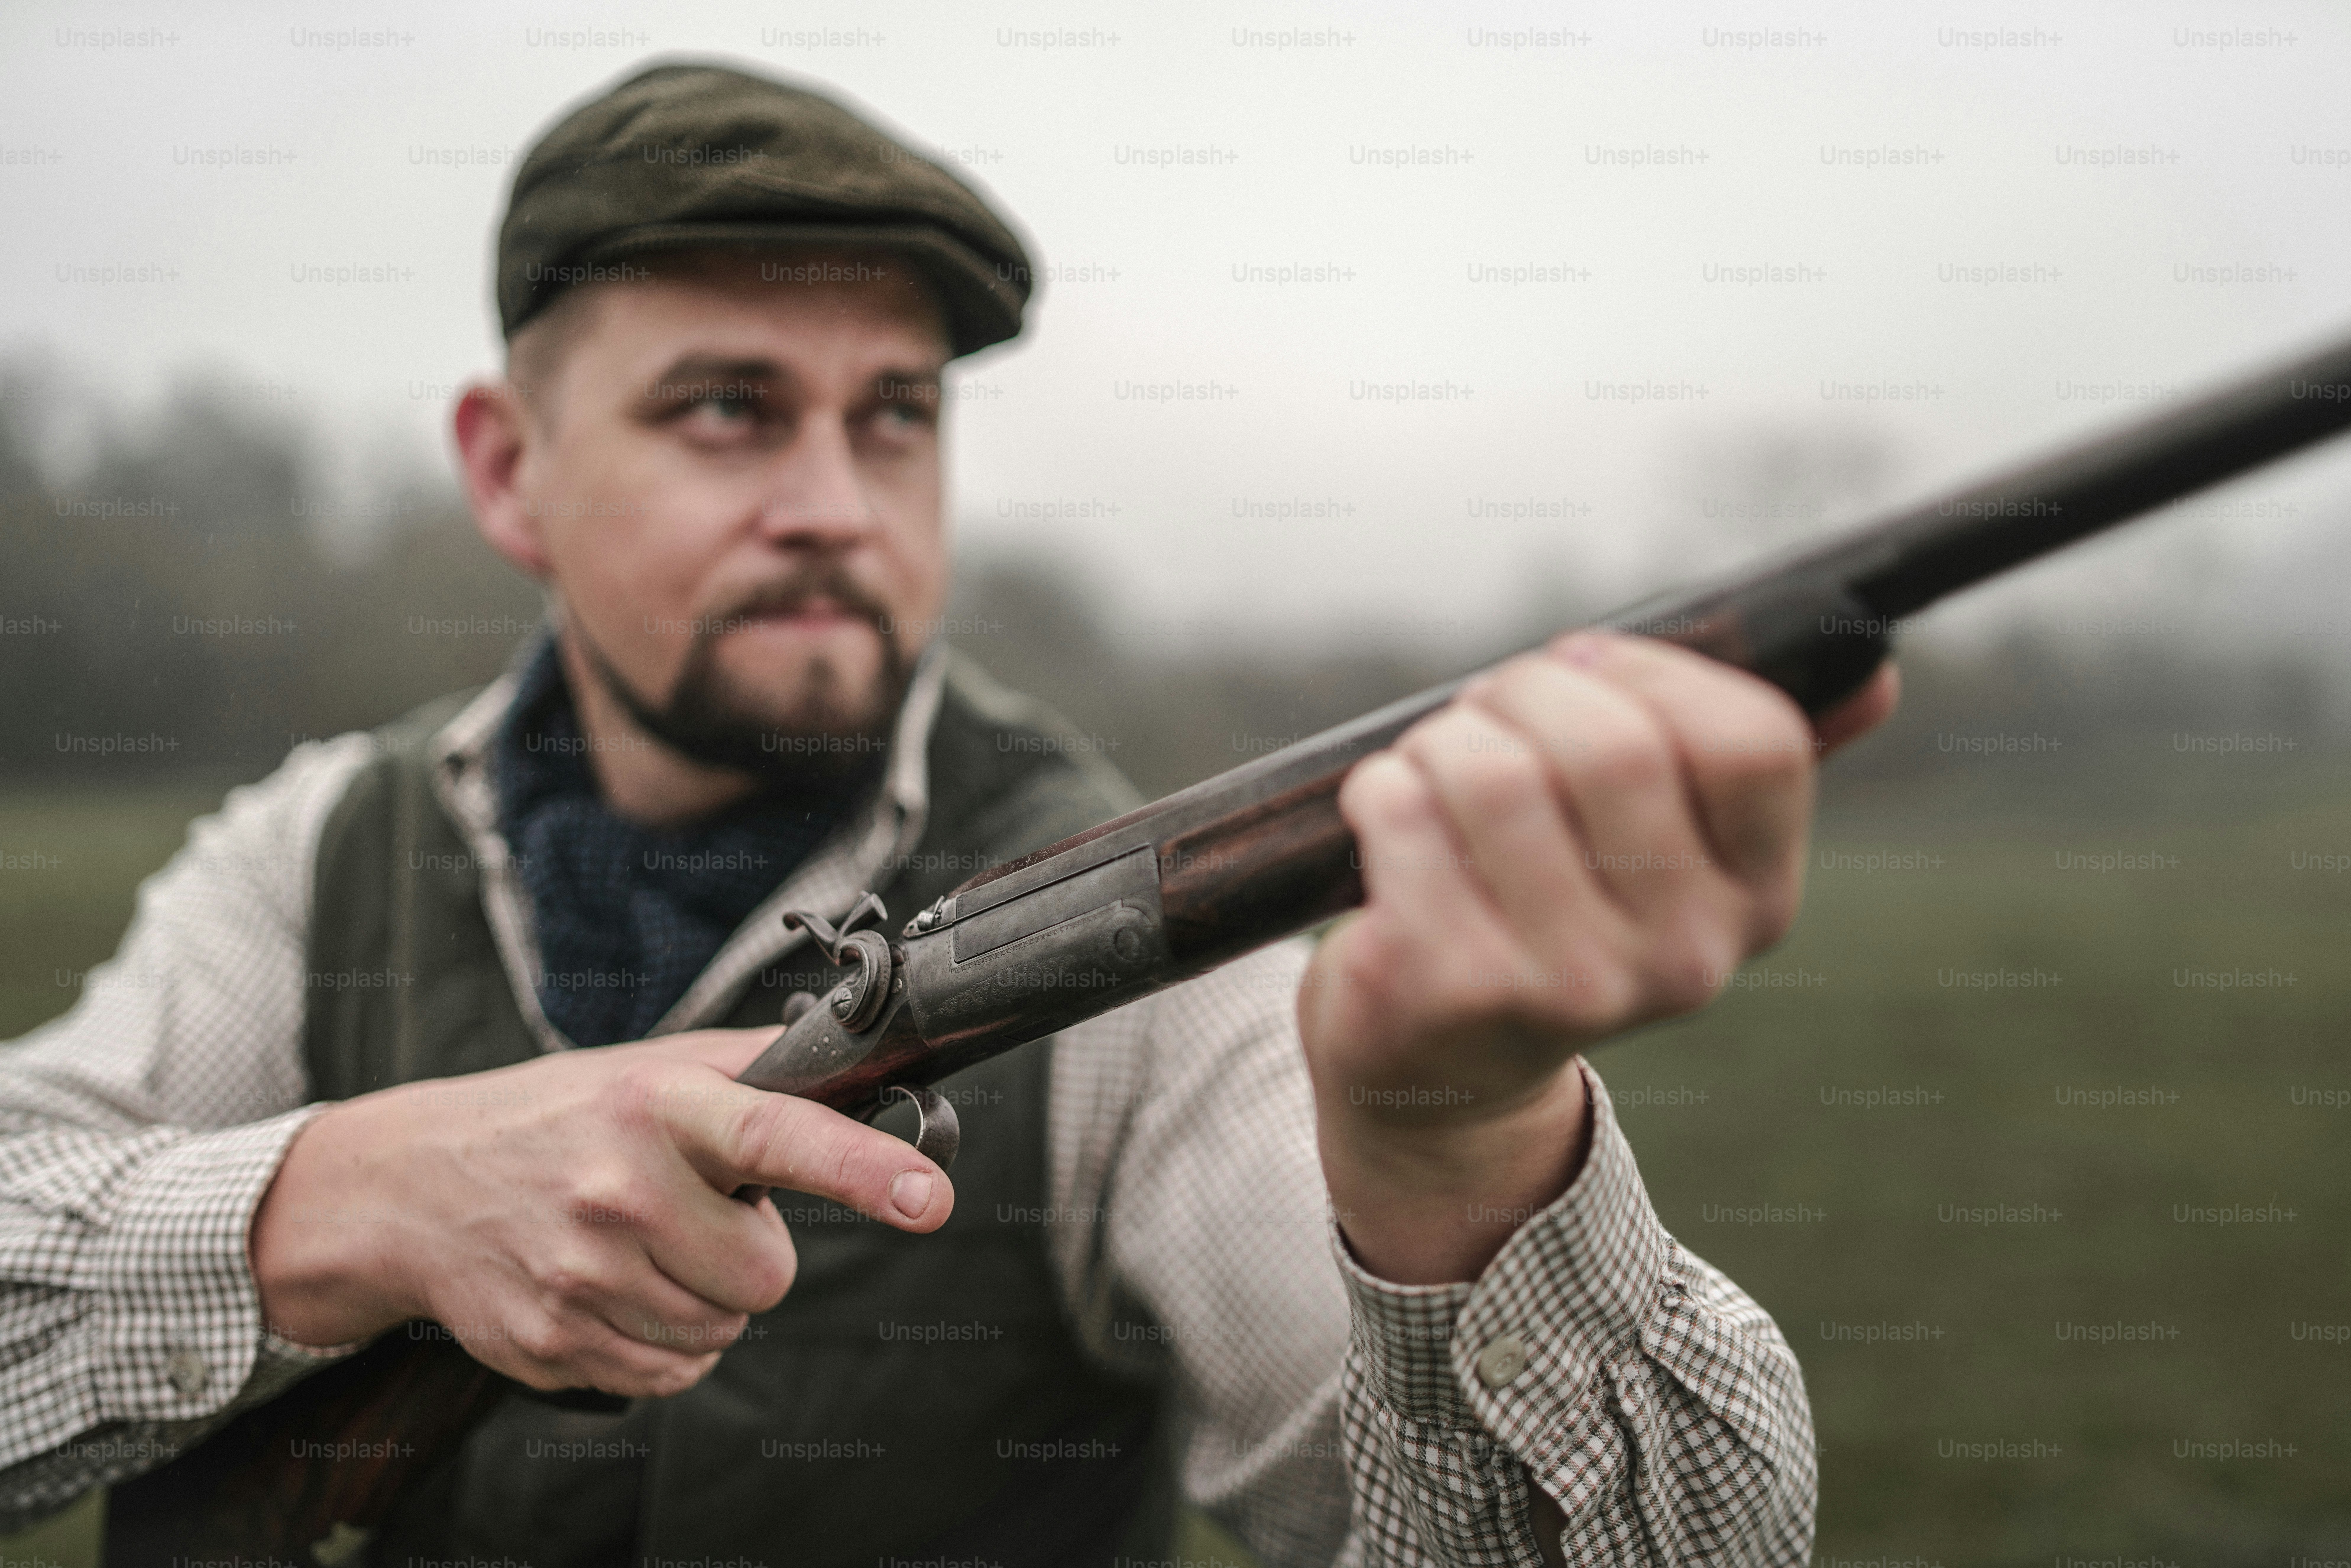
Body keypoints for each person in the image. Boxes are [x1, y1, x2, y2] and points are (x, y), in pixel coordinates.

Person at [0, 61, 1893, 1566]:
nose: (833, 498)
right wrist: (356, 1195)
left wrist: (1461, 1142)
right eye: (728, 409)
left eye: (894, 414)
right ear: (510, 468)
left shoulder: (1140, 941)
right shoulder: (313, 851)